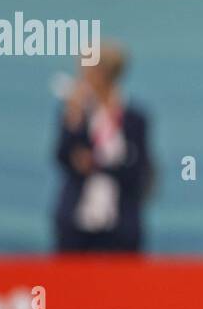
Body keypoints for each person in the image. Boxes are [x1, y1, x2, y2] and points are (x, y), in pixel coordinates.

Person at [54, 43, 155, 253]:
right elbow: (62, 157)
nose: (84, 76)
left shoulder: (134, 119)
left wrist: (99, 164)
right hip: (77, 221)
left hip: (120, 224)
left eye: (89, 70)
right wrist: (73, 121)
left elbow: (139, 170)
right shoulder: (76, 112)